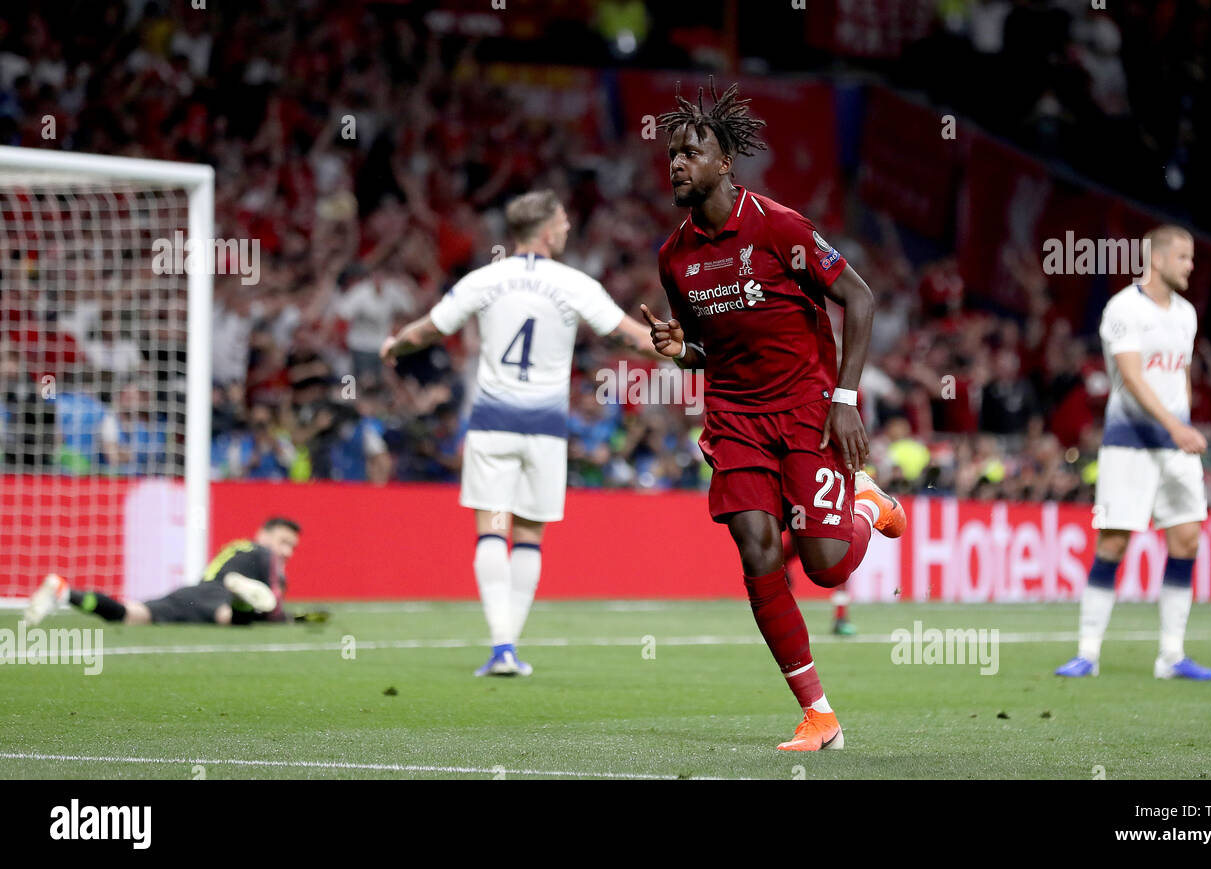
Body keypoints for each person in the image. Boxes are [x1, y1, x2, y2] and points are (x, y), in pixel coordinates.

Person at [641, 79, 905, 751]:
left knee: (825, 566)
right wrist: (685, 352)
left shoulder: (779, 226)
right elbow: (714, 342)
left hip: (807, 410)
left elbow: (861, 298)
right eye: (672, 153)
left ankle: (867, 504)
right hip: (735, 418)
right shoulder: (675, 258)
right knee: (757, 549)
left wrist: (844, 400)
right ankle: (819, 714)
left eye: (691, 153)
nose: (677, 163)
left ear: (725, 163)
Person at [381, 189, 657, 677]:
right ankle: (510, 648)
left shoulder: (485, 279)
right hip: (546, 428)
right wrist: (688, 353)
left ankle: (500, 647)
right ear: (548, 229)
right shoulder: (575, 284)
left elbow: (428, 330)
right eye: (566, 220)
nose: (569, 227)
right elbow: (630, 337)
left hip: (492, 423)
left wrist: (395, 344)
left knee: (491, 527)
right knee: (529, 533)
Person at [1055, 226, 1211, 680]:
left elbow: (1179, 375)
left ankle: (1171, 656)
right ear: (1159, 258)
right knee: (1114, 541)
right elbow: (1130, 377)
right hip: (1128, 445)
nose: (1191, 266)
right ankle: (1088, 653)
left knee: (1186, 539)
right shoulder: (1123, 309)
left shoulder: (1186, 314)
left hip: (1178, 447)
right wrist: (1177, 426)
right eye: (1185, 257)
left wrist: (1183, 423)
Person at [23, 517, 313, 627]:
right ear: (263, 534)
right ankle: (239, 598)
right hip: (220, 597)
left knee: (131, 614)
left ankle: (65, 591)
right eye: (283, 542)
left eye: (292, 547)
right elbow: (274, 606)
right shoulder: (265, 554)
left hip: (192, 593)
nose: (286, 551)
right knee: (237, 618)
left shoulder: (238, 548)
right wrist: (287, 618)